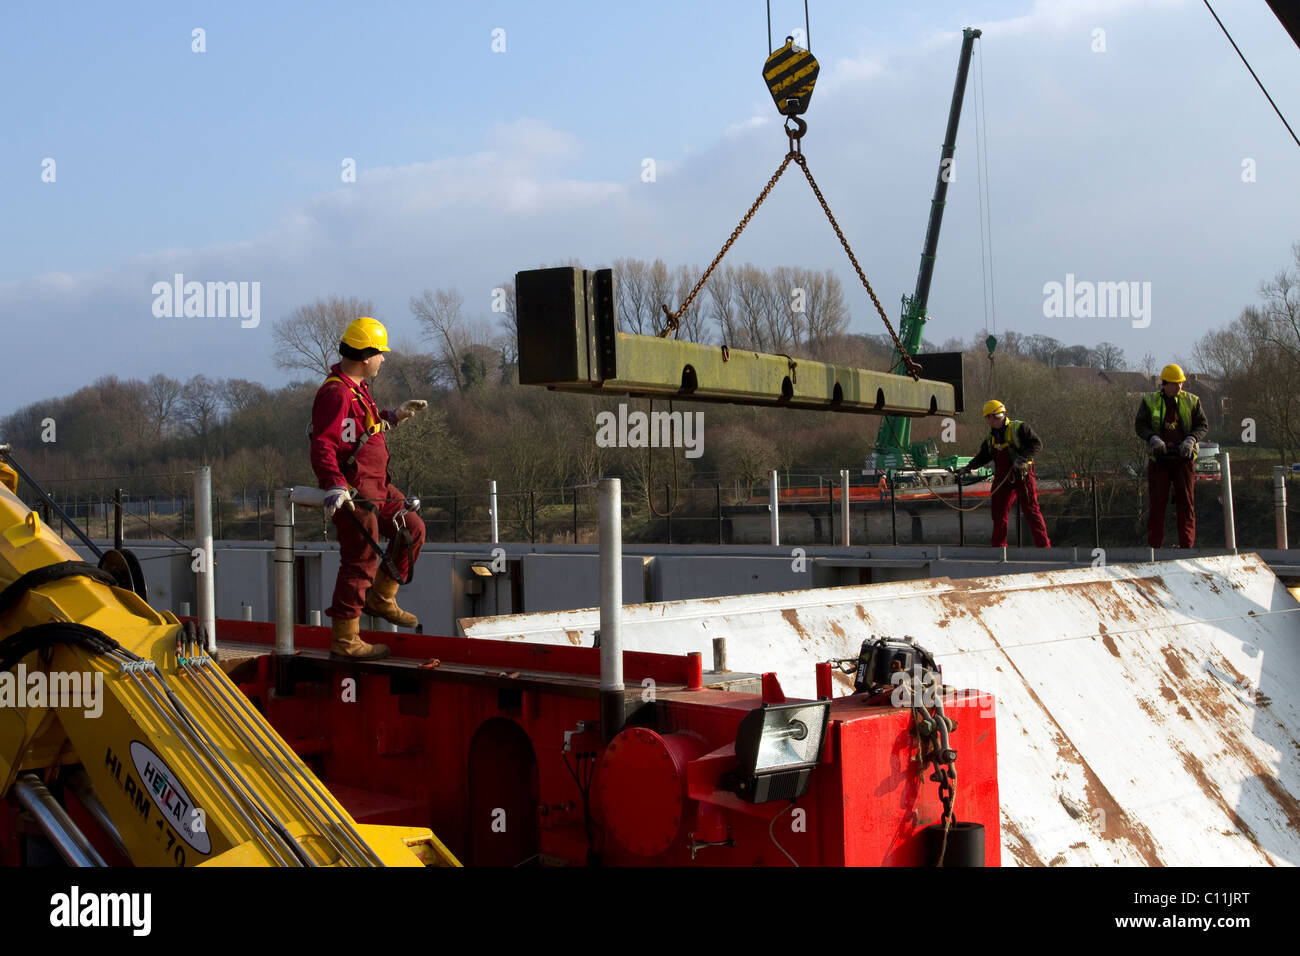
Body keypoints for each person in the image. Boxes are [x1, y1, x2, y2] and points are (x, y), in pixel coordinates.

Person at [309, 316, 429, 660]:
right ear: (365, 356)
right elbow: (324, 444)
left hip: (378, 486)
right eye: (380, 353)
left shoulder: (355, 389)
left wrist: (392, 416)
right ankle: (346, 639)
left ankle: (382, 598)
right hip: (355, 490)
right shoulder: (335, 393)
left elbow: (357, 431)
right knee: (360, 557)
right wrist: (334, 485)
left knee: (413, 528)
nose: (384, 359)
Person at [956, 400, 1052, 548]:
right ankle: (999, 547)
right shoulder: (991, 438)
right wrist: (967, 468)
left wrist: (1023, 458)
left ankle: (1044, 547)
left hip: (1022, 475)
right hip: (1002, 478)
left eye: (990, 418)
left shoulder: (1019, 428)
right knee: (998, 513)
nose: (990, 421)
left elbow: (1036, 444)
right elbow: (983, 456)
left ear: (989, 417)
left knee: (1031, 510)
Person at [1134, 363, 1209, 548]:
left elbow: (1202, 425)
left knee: (1187, 507)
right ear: (1165, 384)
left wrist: (1191, 440)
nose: (1179, 387)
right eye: (1175, 384)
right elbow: (1140, 425)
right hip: (1159, 461)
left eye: (1181, 383)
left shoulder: (1192, 401)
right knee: (1157, 507)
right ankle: (1154, 550)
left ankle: (1187, 548)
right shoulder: (1149, 401)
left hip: (1184, 460)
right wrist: (1153, 439)